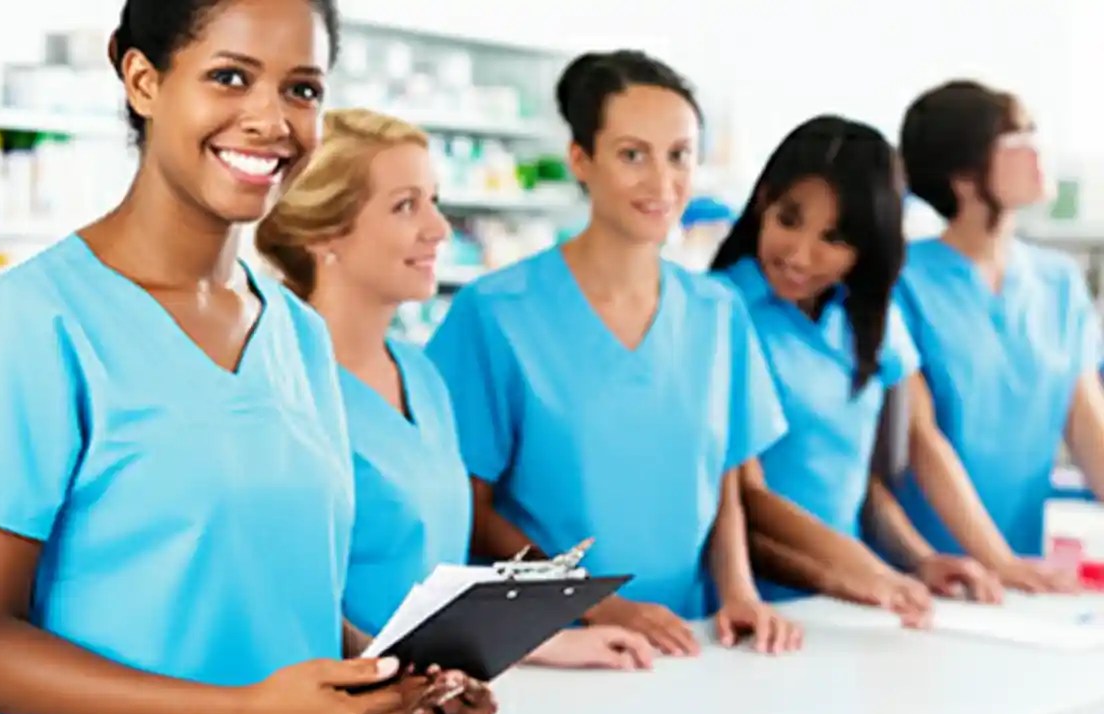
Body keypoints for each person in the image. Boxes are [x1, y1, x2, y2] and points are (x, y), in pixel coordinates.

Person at [0, 1, 473, 714]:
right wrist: (243, 710)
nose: (272, 120)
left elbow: (283, 602)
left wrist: (394, 686)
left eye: (302, 89)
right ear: (143, 81)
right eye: (230, 77)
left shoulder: (300, 336)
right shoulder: (36, 321)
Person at [425, 50, 803, 657]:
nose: (662, 182)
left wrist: (739, 591)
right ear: (581, 160)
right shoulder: (496, 312)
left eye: (679, 155)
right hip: (551, 649)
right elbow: (471, 509)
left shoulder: (717, 311)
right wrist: (592, 603)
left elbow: (724, 481)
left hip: (690, 641)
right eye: (633, 155)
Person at [255, 106, 656, 675]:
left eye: (434, 201)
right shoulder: (279, 390)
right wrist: (394, 680)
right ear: (326, 234)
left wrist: (542, 642)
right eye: (405, 206)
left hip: (434, 691)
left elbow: (431, 582)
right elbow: (280, 601)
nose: (439, 229)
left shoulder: (421, 376)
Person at [708, 115, 1004, 626]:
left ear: (867, 246)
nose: (800, 255)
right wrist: (866, 571)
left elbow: (859, 481)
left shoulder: (867, 317)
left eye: (833, 237)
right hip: (750, 604)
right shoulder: (719, 307)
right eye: (788, 221)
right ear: (763, 203)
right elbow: (748, 497)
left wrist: (919, 559)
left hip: (845, 605)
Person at [891, 79, 1104, 589]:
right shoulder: (902, 282)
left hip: (1023, 577)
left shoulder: (1057, 282)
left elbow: (1087, 426)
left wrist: (1011, 567)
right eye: (1017, 140)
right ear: (964, 175)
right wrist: (997, 561)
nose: (1038, 152)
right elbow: (921, 439)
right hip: (929, 575)